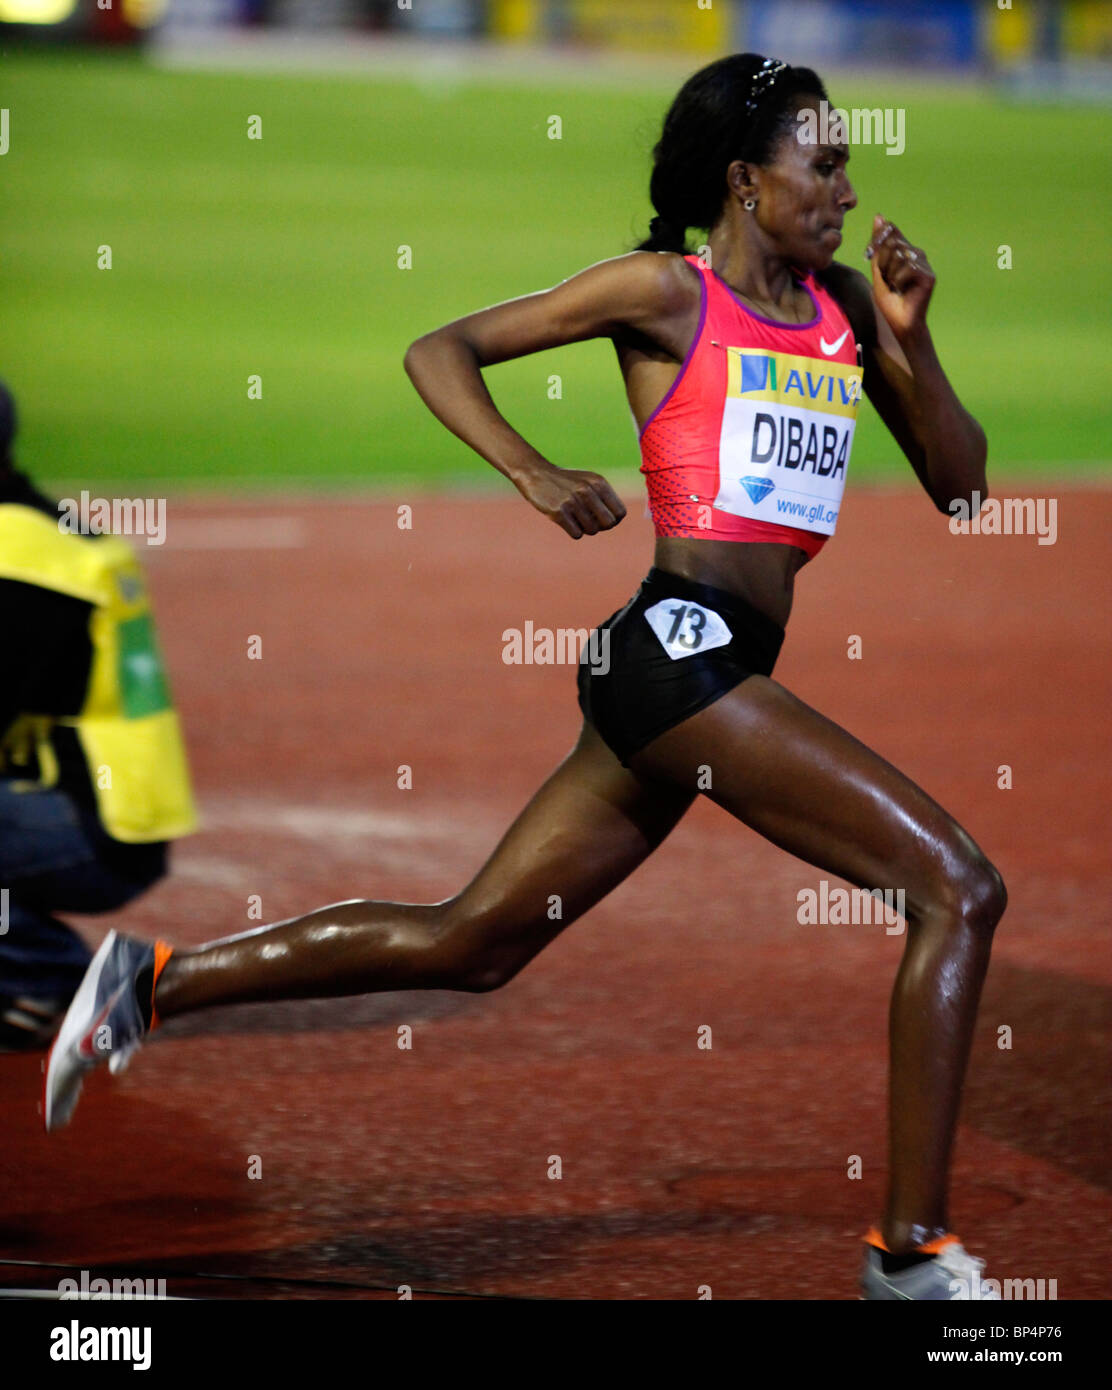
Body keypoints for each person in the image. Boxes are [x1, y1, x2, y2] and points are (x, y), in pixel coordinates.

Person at [44, 55, 1006, 1301]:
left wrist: (912, 341)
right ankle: (909, 1252)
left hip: (694, 674)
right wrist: (531, 468)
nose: (841, 187)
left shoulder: (841, 310)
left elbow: (963, 487)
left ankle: (150, 983)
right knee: (955, 888)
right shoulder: (664, 291)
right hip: (678, 654)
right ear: (743, 180)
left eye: (842, 163)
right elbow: (438, 347)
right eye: (817, 164)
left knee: (473, 942)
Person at [0, 380, 196, 1049]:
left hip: (95, 823)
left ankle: (71, 972)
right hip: (62, 796)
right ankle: (21, 977)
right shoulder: (31, 534)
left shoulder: (26, 558)